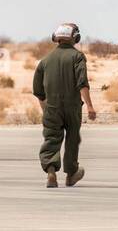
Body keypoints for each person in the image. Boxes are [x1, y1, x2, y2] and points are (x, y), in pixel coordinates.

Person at [32, 22, 96, 188]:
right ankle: (71, 174)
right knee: (72, 139)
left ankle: (51, 172)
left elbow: (38, 92)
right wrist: (89, 106)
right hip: (73, 108)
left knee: (51, 139)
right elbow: (82, 83)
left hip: (52, 108)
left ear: (56, 38)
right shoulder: (78, 57)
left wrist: (46, 110)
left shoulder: (44, 61)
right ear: (75, 38)